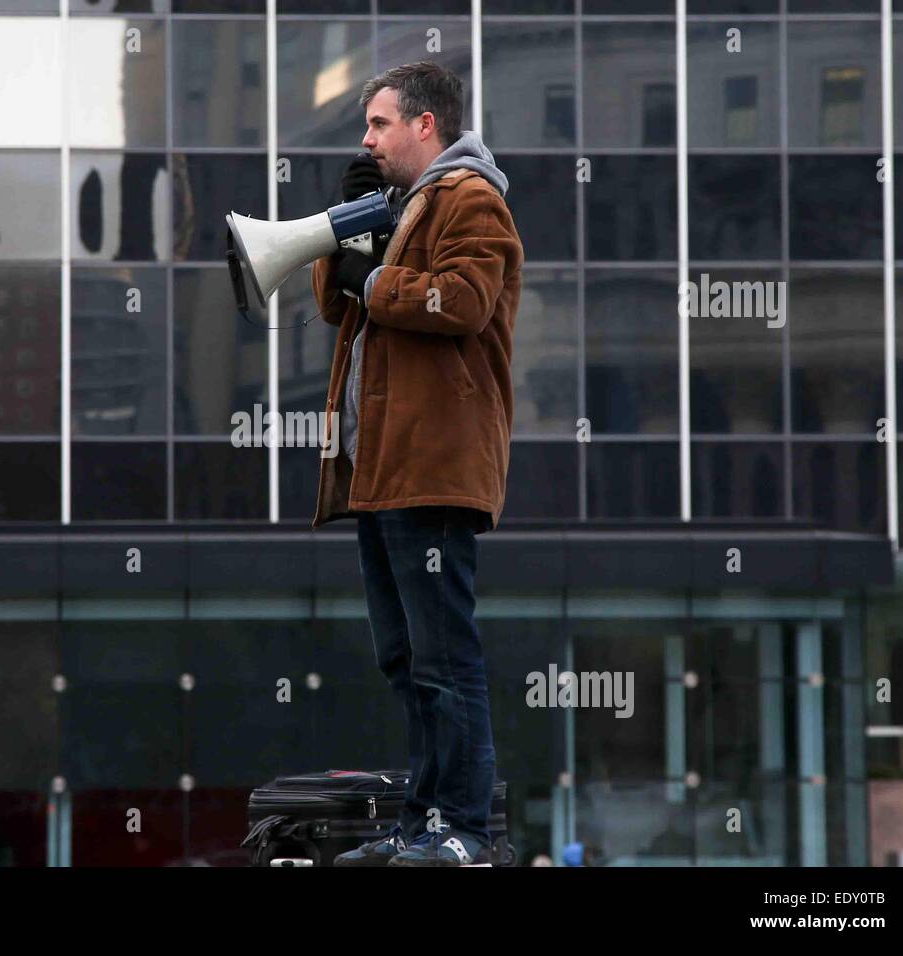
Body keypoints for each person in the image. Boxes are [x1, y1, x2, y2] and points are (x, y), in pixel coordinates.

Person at [315, 61, 524, 868]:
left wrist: (374, 274)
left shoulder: (472, 198)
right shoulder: (402, 207)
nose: (367, 138)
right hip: (385, 472)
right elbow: (339, 301)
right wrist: (349, 223)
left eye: (377, 124)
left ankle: (464, 829)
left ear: (425, 125)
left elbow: (463, 301)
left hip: (433, 466)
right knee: (407, 660)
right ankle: (421, 823)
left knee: (444, 659)